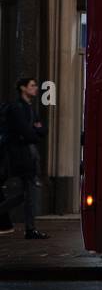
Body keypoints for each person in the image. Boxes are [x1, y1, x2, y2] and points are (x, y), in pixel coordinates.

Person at [0, 77, 50, 239]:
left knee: (27, 193)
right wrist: (34, 132)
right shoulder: (17, 108)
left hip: (28, 153)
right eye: (32, 85)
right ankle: (30, 229)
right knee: (29, 191)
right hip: (21, 155)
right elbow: (27, 132)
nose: (36, 88)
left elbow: (42, 130)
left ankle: (30, 229)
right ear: (23, 88)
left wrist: (34, 131)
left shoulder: (29, 108)